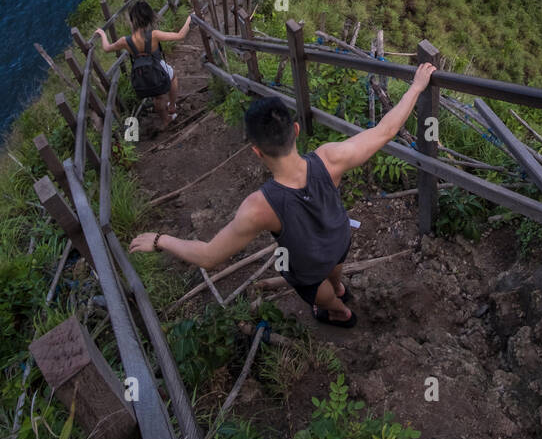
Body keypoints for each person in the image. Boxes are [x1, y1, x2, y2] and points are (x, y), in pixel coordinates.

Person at [130, 62, 437, 326]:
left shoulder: (259, 207)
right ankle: (340, 288)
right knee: (334, 272)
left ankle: (341, 313)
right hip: (340, 240)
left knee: (322, 293)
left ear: (257, 151)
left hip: (308, 267)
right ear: (296, 130)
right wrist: (416, 87)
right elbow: (385, 131)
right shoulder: (330, 158)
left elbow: (209, 256)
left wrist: (160, 240)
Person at [95, 0, 191, 131]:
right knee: (173, 77)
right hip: (157, 69)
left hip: (142, 76)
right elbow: (180, 35)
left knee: (157, 96)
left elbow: (106, 48)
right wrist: (190, 18)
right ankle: (172, 105)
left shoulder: (125, 41)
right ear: (148, 18)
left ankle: (165, 119)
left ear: (132, 20)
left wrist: (102, 34)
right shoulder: (154, 35)